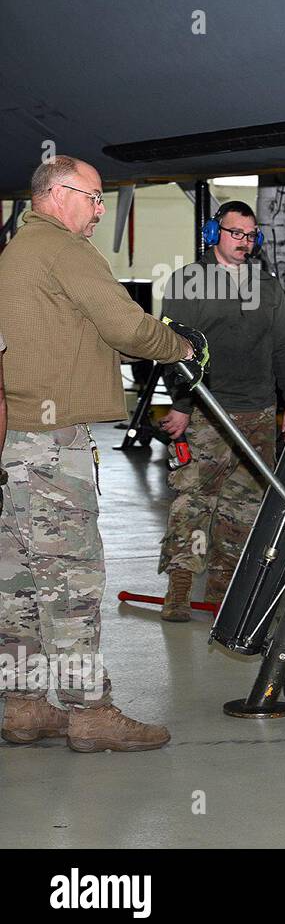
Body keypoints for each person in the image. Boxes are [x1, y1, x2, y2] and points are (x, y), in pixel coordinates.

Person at [0, 155, 197, 752]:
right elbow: (128, 327)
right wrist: (181, 345)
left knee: (19, 583)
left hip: (15, 438)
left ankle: (23, 705)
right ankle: (90, 713)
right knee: (72, 581)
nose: (99, 209)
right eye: (92, 197)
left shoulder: (16, 253)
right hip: (51, 448)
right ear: (58, 195)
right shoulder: (63, 250)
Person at [157, 200, 285, 621]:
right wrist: (182, 406)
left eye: (251, 235)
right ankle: (180, 588)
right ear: (212, 234)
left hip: (258, 412)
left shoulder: (267, 285)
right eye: (235, 233)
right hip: (208, 412)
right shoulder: (189, 281)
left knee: (246, 506)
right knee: (195, 499)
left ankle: (224, 590)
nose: (244, 241)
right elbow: (174, 350)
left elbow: (284, 345)